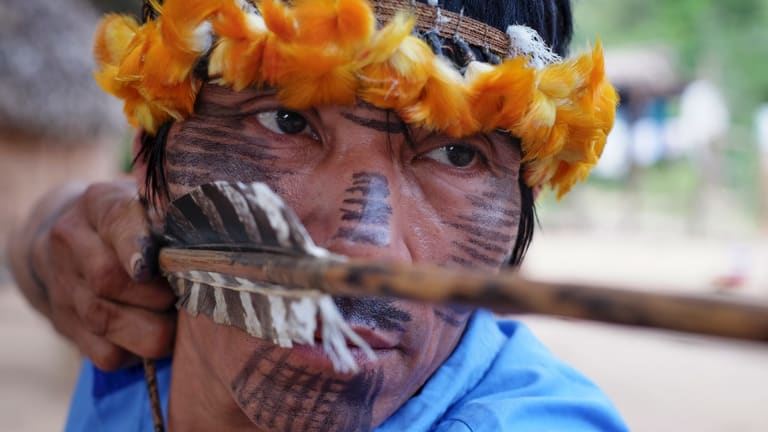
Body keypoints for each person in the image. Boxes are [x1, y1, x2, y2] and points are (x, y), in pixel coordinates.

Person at [7, 0, 626, 430]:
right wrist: (42, 236)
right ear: (150, 157)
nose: (364, 247)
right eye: (285, 121)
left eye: (457, 154)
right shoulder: (121, 298)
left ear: (522, 205)